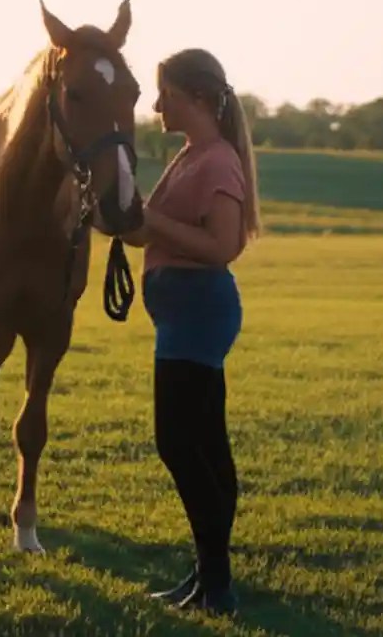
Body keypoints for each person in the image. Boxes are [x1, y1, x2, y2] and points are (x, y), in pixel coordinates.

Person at [122, 48, 261, 615]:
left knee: (179, 442)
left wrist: (150, 219)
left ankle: (217, 582)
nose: (157, 105)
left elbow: (223, 247)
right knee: (203, 442)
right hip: (183, 313)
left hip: (199, 312)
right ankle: (208, 579)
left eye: (167, 95)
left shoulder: (217, 161)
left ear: (198, 99)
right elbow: (143, 235)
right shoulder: (188, 156)